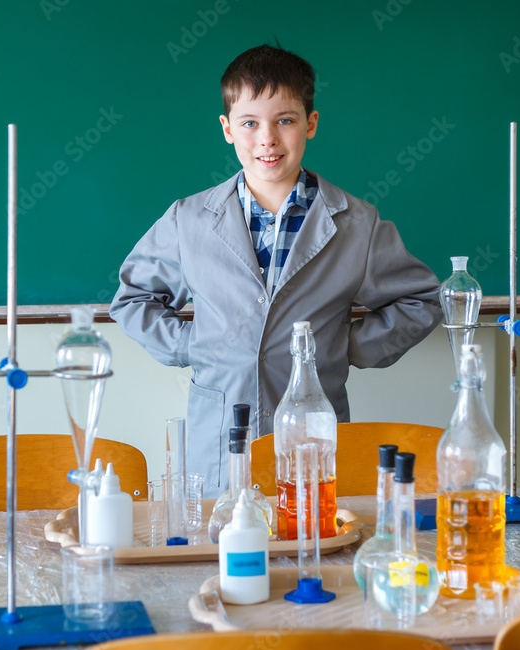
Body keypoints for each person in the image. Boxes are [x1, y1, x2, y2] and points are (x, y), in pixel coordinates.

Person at [110, 45, 441, 494]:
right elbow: (133, 298)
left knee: (312, 541)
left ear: (311, 123)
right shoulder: (188, 220)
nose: (267, 138)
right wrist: (193, 344)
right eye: (250, 123)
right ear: (227, 129)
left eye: (285, 120)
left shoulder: (356, 223)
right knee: (224, 548)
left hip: (311, 435)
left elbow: (420, 300)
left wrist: (348, 346)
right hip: (221, 439)